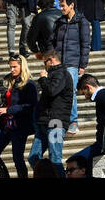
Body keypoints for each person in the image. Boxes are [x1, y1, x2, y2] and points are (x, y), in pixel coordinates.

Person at [0, 54, 37, 179]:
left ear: (22, 66)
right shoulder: (8, 82)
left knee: (17, 158)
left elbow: (30, 106)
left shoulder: (29, 84)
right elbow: (7, 102)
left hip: (19, 125)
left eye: (14, 67)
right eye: (10, 67)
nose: (12, 70)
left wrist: (8, 110)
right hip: (3, 123)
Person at [50, 0, 91, 132]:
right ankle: (62, 119)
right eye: (60, 5)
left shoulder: (81, 22)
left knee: (70, 91)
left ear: (71, 5)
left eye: (63, 5)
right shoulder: (59, 22)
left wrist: (82, 64)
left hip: (73, 62)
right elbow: (52, 41)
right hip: (59, 63)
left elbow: (85, 44)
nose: (61, 8)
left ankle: (73, 121)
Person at [29, 49, 72, 177]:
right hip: (44, 122)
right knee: (33, 157)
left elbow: (52, 90)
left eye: (45, 63)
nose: (44, 66)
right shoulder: (54, 74)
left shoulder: (61, 73)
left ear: (51, 60)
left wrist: (43, 79)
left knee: (55, 158)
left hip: (56, 122)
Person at [74, 74, 105, 161]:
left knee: (77, 160)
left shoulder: (103, 97)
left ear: (88, 87)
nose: (85, 97)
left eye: (84, 93)